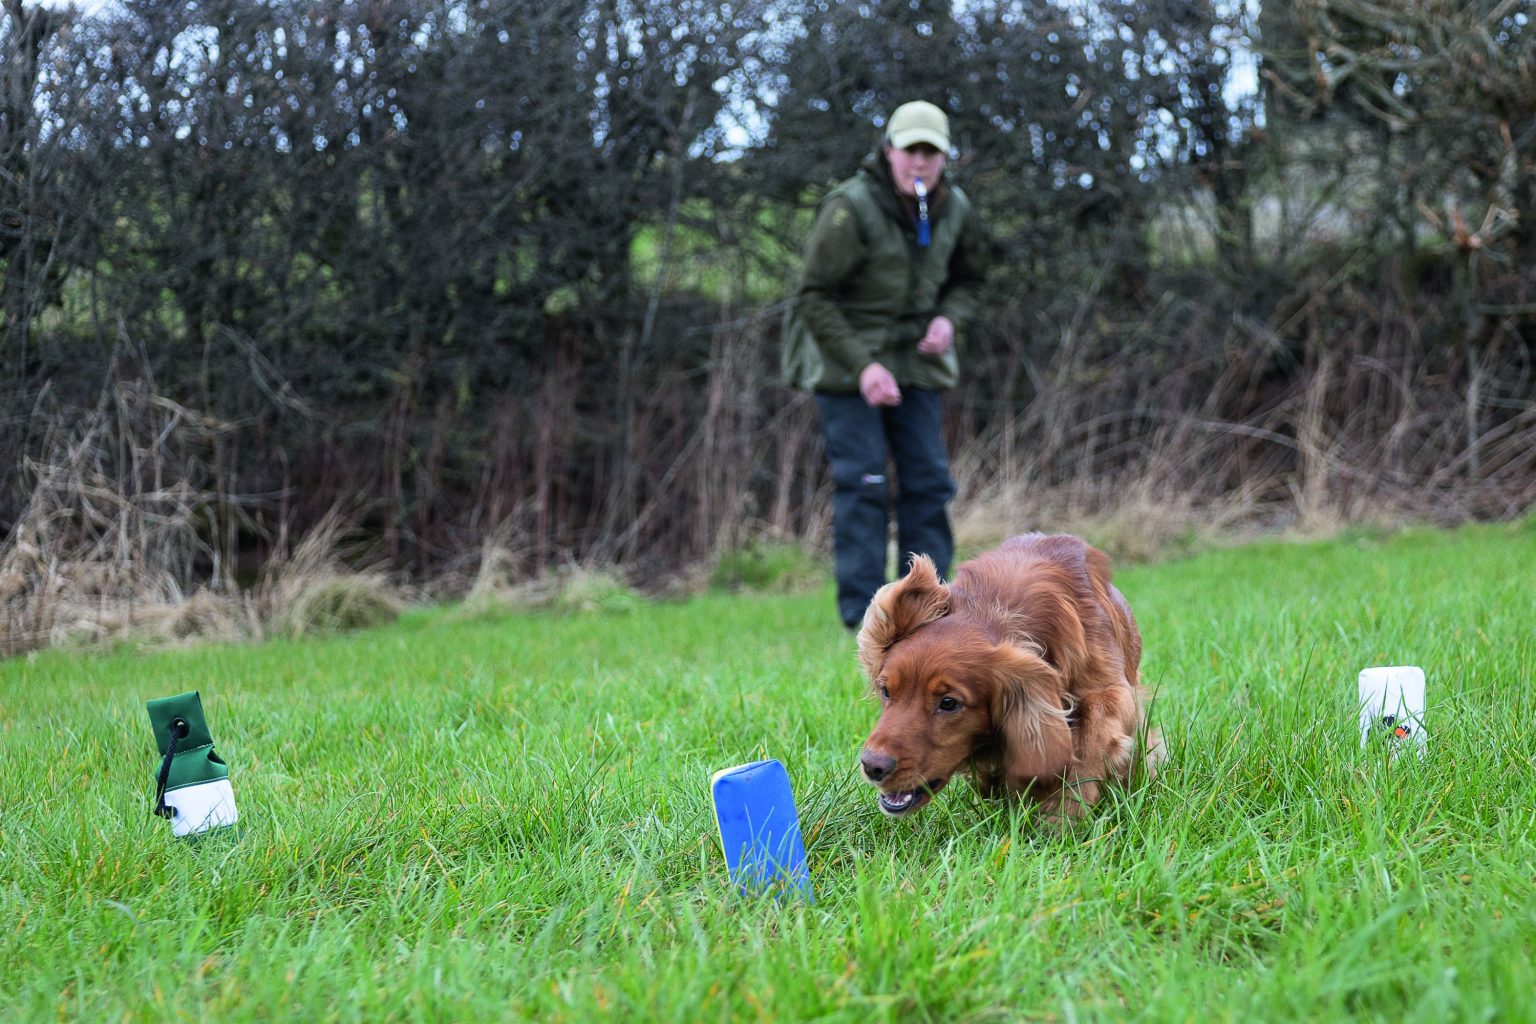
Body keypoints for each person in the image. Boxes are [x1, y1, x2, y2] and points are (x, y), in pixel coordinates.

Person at [782, 100, 991, 630]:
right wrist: (863, 368)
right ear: (889, 150)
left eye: (930, 152)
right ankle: (863, 617)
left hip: (917, 363)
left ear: (945, 157)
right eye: (910, 150)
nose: (919, 162)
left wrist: (948, 319)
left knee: (927, 482)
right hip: (846, 362)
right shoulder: (850, 208)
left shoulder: (955, 209)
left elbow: (969, 280)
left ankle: (931, 611)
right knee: (865, 483)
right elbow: (813, 296)